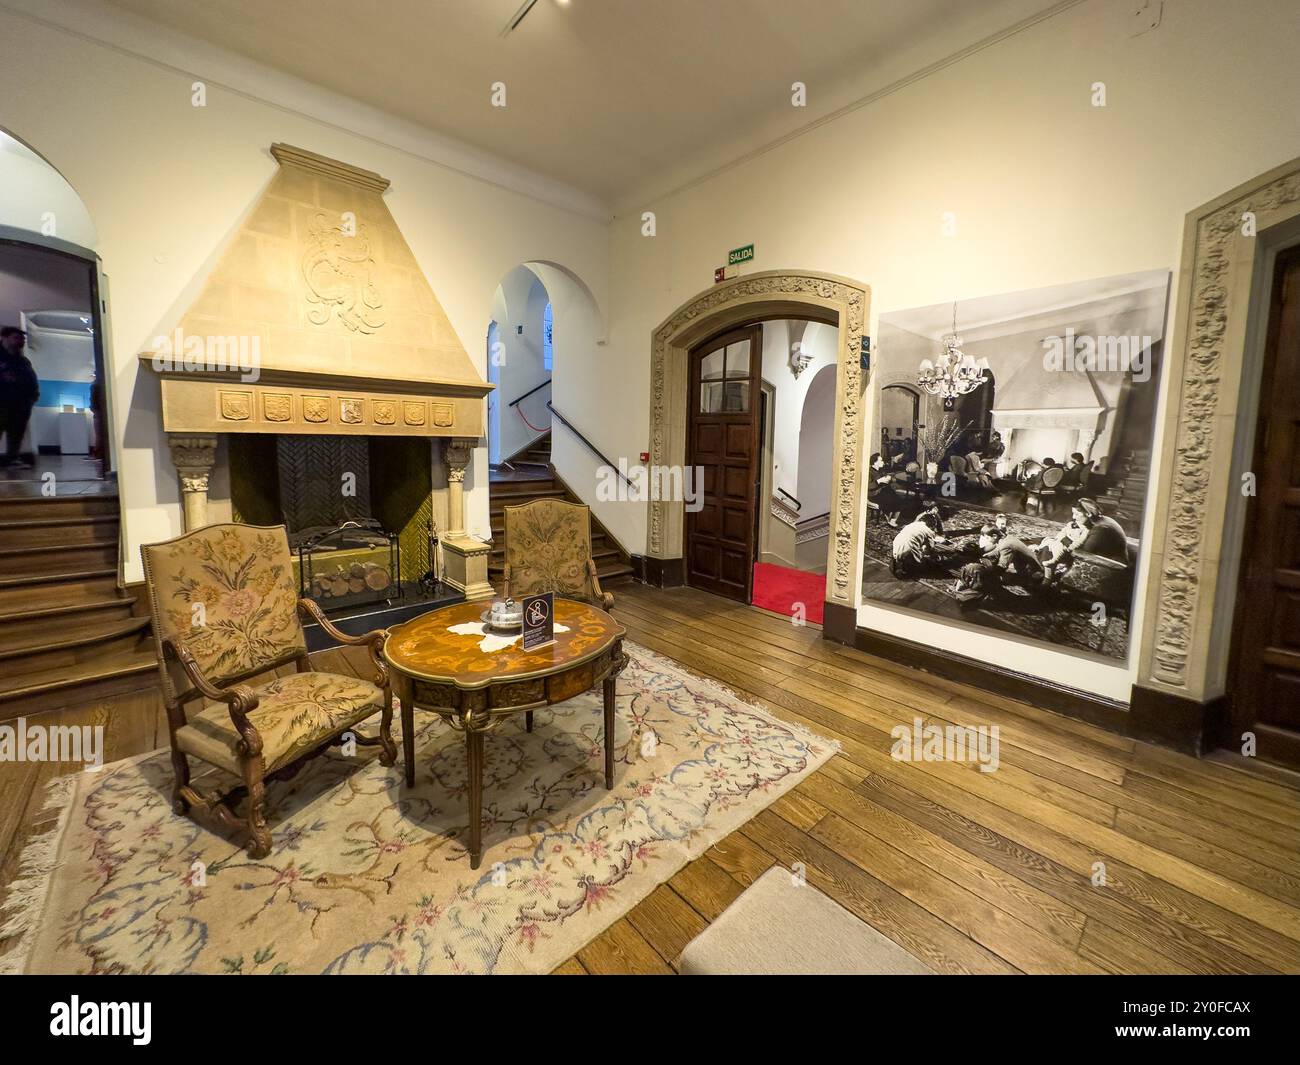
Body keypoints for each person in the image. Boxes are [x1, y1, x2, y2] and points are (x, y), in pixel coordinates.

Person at [0, 327, 39, 469]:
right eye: (16, 338)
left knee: (16, 434)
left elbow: (31, 379)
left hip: (21, 405)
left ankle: (12, 459)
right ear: (4, 338)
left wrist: (33, 396)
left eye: (22, 339)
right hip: (2, 403)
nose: (21, 341)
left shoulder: (23, 361)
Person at [891, 511, 954, 577]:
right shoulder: (929, 531)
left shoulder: (913, 524)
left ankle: (898, 563)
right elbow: (929, 549)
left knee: (910, 546)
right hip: (907, 552)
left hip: (896, 546)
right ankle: (906, 569)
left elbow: (918, 518)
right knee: (929, 564)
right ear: (932, 526)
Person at [869, 451, 904, 527]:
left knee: (899, 500)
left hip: (884, 491)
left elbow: (886, 480)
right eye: (881, 460)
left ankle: (892, 520)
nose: (883, 462)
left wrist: (889, 478)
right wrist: (879, 481)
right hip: (874, 494)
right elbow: (868, 486)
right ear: (875, 463)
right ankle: (888, 518)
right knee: (891, 500)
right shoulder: (870, 471)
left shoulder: (881, 470)